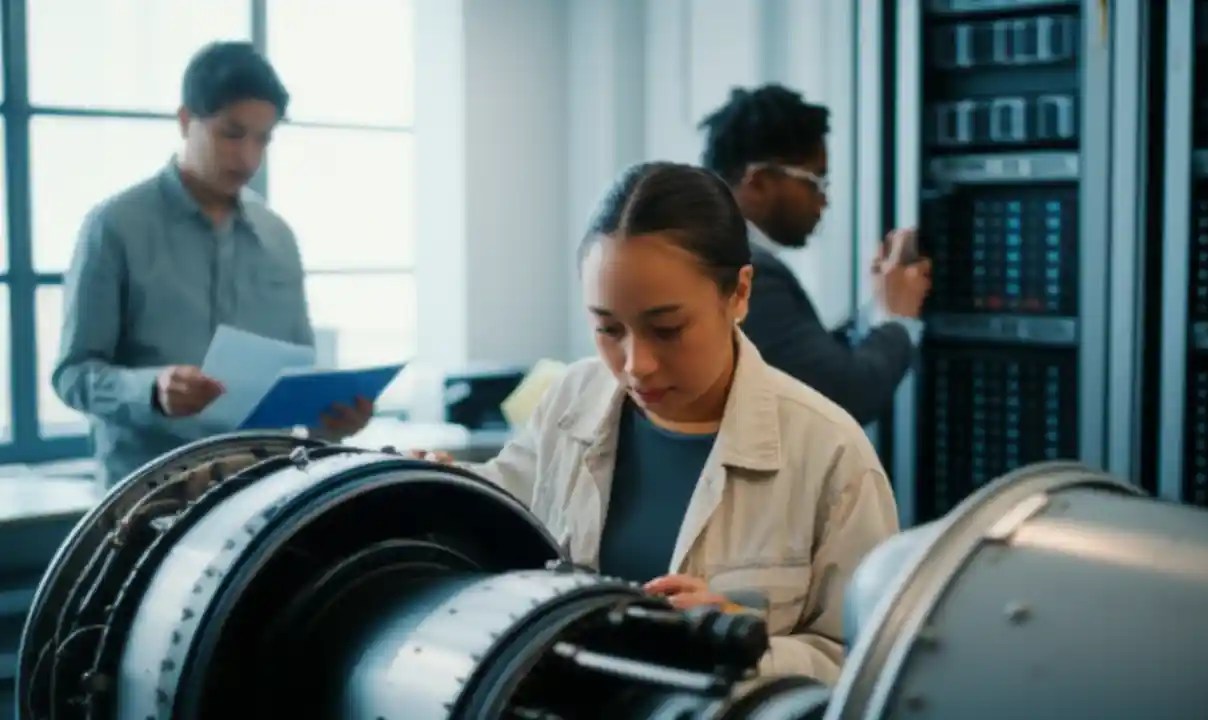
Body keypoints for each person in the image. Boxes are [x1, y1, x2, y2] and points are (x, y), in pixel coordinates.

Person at [417, 162, 898, 683]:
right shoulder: (570, 401)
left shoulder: (831, 455)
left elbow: (872, 663)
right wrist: (436, 493)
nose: (634, 364)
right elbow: (503, 515)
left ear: (738, 293)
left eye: (667, 329)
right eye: (607, 328)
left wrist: (743, 645)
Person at [52, 41, 371, 489]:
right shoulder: (114, 226)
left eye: (263, 138)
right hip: (149, 500)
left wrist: (331, 422)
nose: (249, 158)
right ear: (186, 121)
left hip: (264, 493)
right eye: (232, 133)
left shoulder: (279, 237)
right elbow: (73, 374)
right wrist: (152, 390)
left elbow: (296, 386)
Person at [698, 84, 933, 425]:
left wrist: (878, 309)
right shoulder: (746, 273)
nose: (823, 201)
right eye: (815, 181)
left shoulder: (704, 253)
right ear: (760, 181)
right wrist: (896, 318)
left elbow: (807, 362)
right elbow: (844, 396)